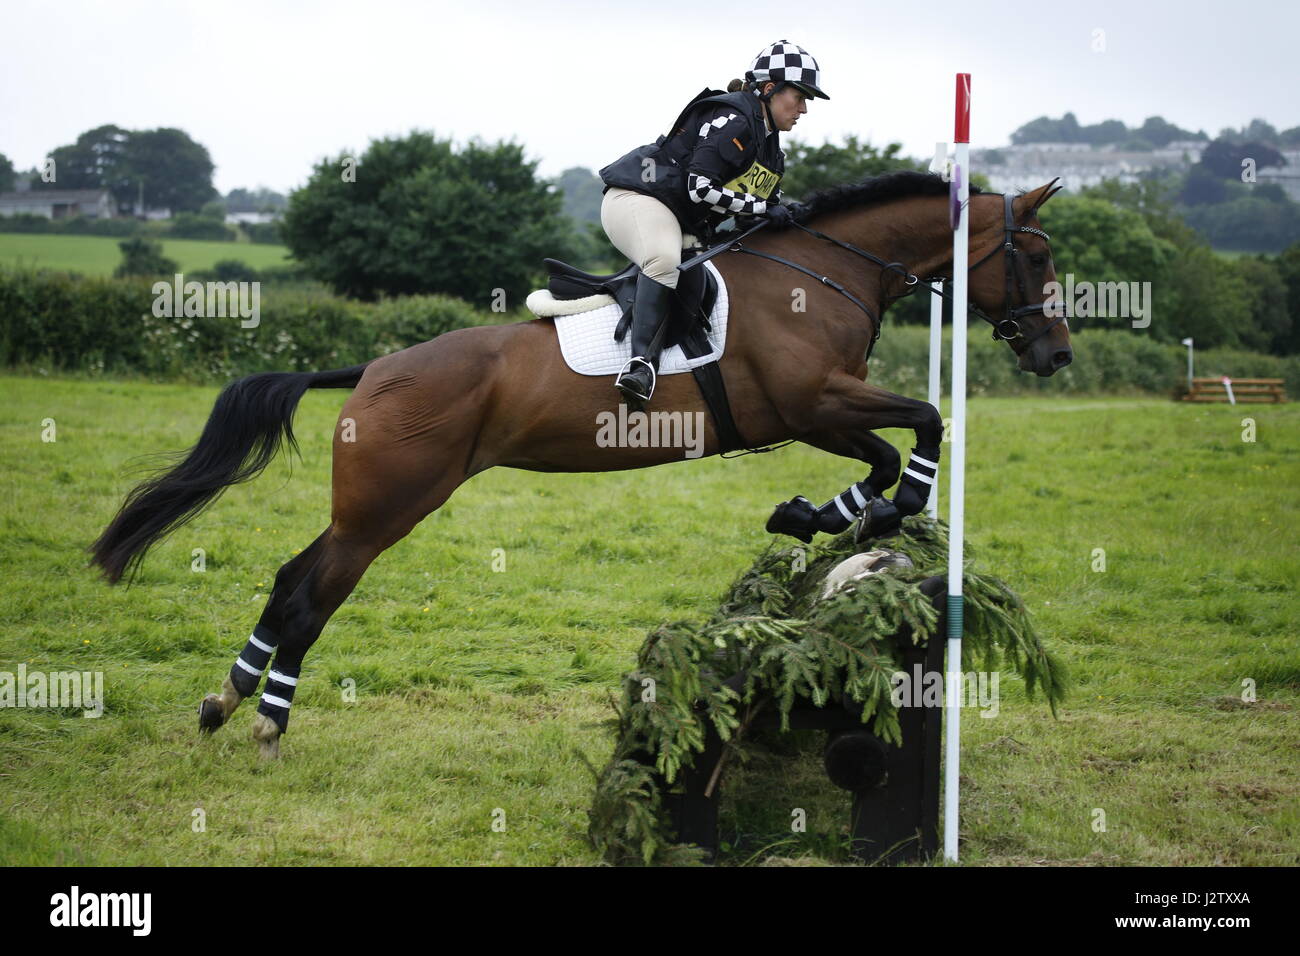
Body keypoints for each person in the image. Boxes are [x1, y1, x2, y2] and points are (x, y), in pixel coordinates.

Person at [598, 40, 829, 407]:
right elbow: (699, 187)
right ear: (769, 89)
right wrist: (759, 206)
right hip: (638, 201)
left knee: (700, 286)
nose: (803, 108)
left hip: (680, 219)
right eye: (799, 96)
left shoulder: (772, 149)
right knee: (663, 259)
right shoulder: (733, 119)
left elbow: (762, 206)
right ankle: (640, 365)